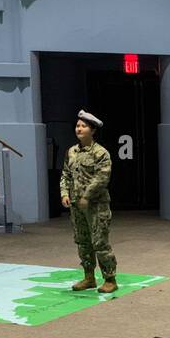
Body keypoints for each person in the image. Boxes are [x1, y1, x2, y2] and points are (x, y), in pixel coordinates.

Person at [60, 110, 117, 292]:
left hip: (96, 206)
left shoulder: (101, 153)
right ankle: (89, 277)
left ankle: (110, 279)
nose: (79, 128)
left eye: (83, 126)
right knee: (82, 242)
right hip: (77, 206)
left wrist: (87, 196)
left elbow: (102, 178)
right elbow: (66, 174)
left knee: (100, 242)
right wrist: (64, 193)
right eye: (78, 125)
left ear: (92, 130)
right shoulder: (72, 151)